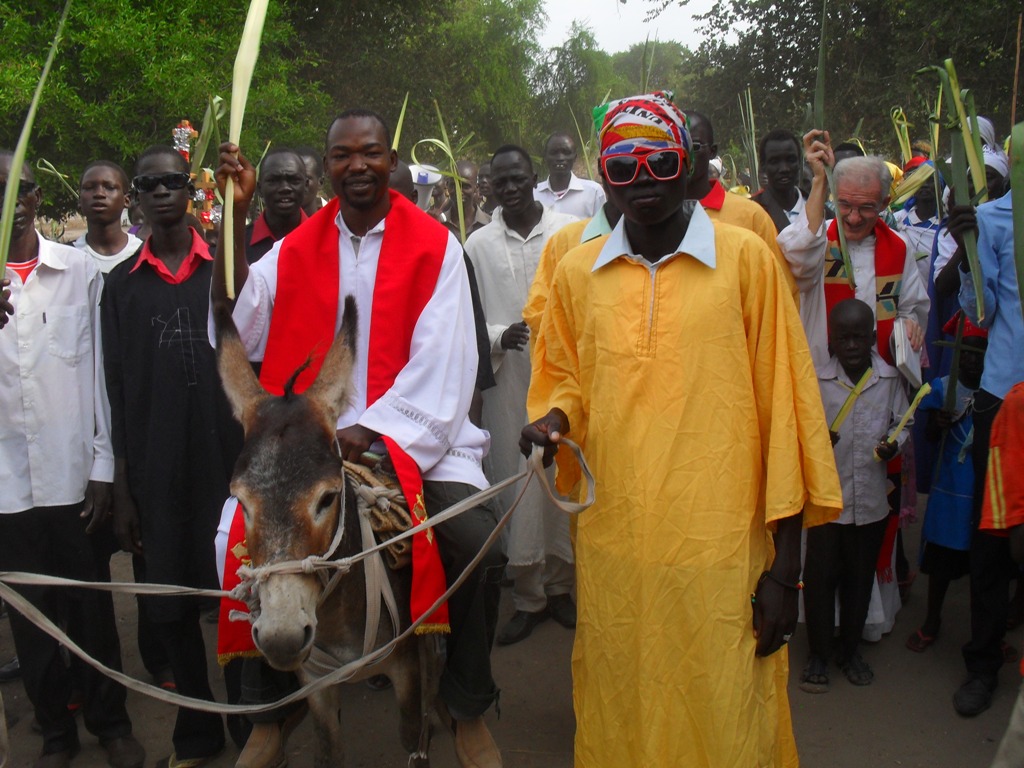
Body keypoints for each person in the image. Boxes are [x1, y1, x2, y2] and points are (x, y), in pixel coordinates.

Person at [521, 91, 842, 767]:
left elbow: (786, 409)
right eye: (623, 165)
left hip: (721, 551)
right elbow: (566, 376)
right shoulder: (577, 273)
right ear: (603, 175)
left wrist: (786, 573)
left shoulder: (747, 260)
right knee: (623, 697)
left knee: (722, 705)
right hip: (619, 549)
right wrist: (554, 418)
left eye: (660, 162)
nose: (642, 182)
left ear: (689, 163)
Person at [214, 108, 506, 768]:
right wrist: (233, 221)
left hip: (418, 434)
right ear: (328, 166)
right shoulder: (292, 248)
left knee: (475, 544)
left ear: (391, 158)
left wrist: (367, 432)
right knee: (233, 538)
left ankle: (466, 705)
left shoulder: (437, 246)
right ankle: (274, 707)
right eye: (342, 155)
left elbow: (445, 363)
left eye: (369, 152)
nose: (357, 166)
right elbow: (237, 323)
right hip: (311, 444)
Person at [0, 151, 144, 768]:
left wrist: (104, 470)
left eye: (20, 188)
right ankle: (55, 732)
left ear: (37, 198)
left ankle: (110, 722)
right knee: (31, 623)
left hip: (72, 478)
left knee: (91, 611)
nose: (10, 199)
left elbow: (100, 384)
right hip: (6, 489)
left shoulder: (80, 271)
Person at [102, 145, 243, 767]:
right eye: (149, 184)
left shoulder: (229, 271)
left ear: (192, 190)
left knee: (239, 598)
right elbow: (116, 389)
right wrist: (124, 490)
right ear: (137, 197)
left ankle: (253, 728)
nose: (162, 193)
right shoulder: (120, 288)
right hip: (157, 472)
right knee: (170, 609)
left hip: (227, 463)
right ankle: (196, 730)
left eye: (172, 182)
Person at [464, 145, 578, 646]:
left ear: (535, 177)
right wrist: (495, 334)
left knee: (561, 474)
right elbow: (466, 314)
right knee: (518, 480)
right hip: (509, 380)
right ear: (488, 186)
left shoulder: (569, 233)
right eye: (499, 181)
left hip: (562, 378)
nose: (508, 188)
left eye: (517, 178)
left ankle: (561, 587)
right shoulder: (478, 246)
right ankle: (529, 595)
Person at [802, 299, 909, 693]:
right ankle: (818, 652)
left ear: (872, 337)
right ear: (831, 339)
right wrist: (818, 441)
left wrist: (893, 445)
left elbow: (902, 422)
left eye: (858, 337)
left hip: (871, 502)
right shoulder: (817, 379)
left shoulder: (888, 379)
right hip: (827, 504)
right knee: (819, 579)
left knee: (859, 578)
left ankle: (850, 650)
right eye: (842, 337)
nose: (850, 345)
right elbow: (804, 426)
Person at [951, 186, 1024, 717]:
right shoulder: (997, 218)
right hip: (1007, 396)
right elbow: (983, 308)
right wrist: (969, 252)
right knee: (993, 537)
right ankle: (982, 662)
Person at [778, 131, 929, 369]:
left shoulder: (898, 246)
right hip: (821, 377)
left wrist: (908, 326)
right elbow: (798, 259)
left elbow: (909, 309)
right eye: (845, 205)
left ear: (884, 203)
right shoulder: (817, 238)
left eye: (866, 207)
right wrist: (820, 179)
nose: (854, 218)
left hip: (881, 382)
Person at [907, 314, 987, 653]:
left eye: (976, 353)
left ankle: (986, 634)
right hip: (949, 490)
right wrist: (938, 423)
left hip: (981, 491)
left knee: (983, 569)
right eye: (963, 352)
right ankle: (932, 620)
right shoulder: (944, 387)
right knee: (941, 564)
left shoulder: (996, 391)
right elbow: (927, 435)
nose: (968, 359)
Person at [683, 110, 798, 303]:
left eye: (694, 146)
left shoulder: (751, 215)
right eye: (676, 145)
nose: (685, 155)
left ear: (713, 151)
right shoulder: (654, 218)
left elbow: (781, 292)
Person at [74, 161, 143, 274]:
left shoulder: (143, 253)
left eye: (110, 187)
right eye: (89, 187)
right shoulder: (68, 258)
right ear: (79, 201)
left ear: (127, 200)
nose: (99, 194)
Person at [244, 147, 308, 264]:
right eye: (273, 181)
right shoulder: (238, 245)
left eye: (293, 180)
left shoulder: (326, 240)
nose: (285, 188)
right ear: (259, 188)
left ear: (306, 185)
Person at [534, 132, 605, 219]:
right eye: (554, 153)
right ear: (545, 157)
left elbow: (602, 230)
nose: (560, 158)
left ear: (575, 157)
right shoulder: (534, 194)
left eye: (566, 152)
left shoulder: (594, 192)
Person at [751, 128, 805, 232]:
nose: (784, 168)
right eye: (775, 161)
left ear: (799, 162)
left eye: (790, 160)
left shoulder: (821, 211)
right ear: (763, 166)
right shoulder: (751, 212)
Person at [443, 159, 489, 243]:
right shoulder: (439, 223)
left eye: (465, 186)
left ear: (476, 188)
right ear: (447, 186)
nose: (459, 192)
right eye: (454, 185)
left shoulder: (489, 225)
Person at [295, 145, 325, 217]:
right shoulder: (274, 226)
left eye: (306, 179)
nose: (300, 184)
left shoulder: (334, 223)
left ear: (320, 183)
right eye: (294, 179)